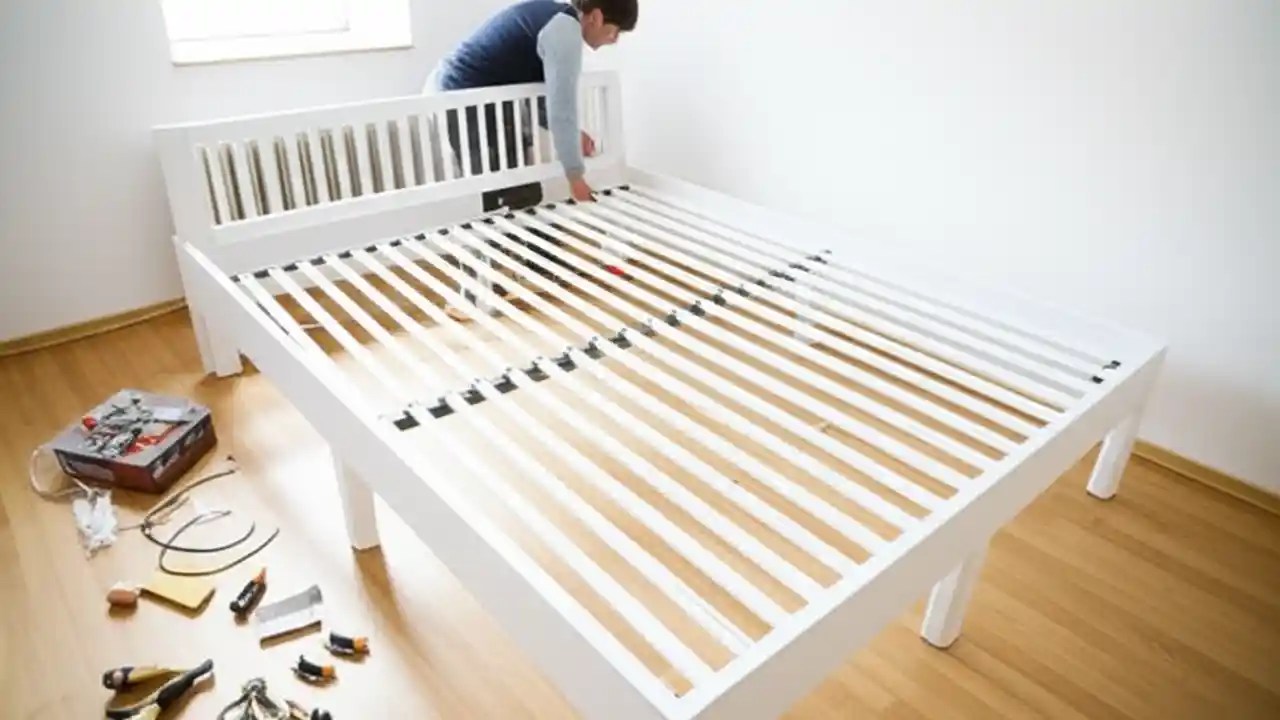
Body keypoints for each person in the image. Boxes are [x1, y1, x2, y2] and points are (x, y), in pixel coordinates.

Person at [423, 1, 638, 201]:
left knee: (520, 188)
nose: (614, 40)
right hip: (464, 92)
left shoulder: (554, 18)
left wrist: (573, 135)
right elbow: (561, 109)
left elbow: (547, 96)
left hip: (485, 92)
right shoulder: (565, 33)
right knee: (502, 190)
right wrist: (575, 177)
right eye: (615, 31)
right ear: (596, 17)